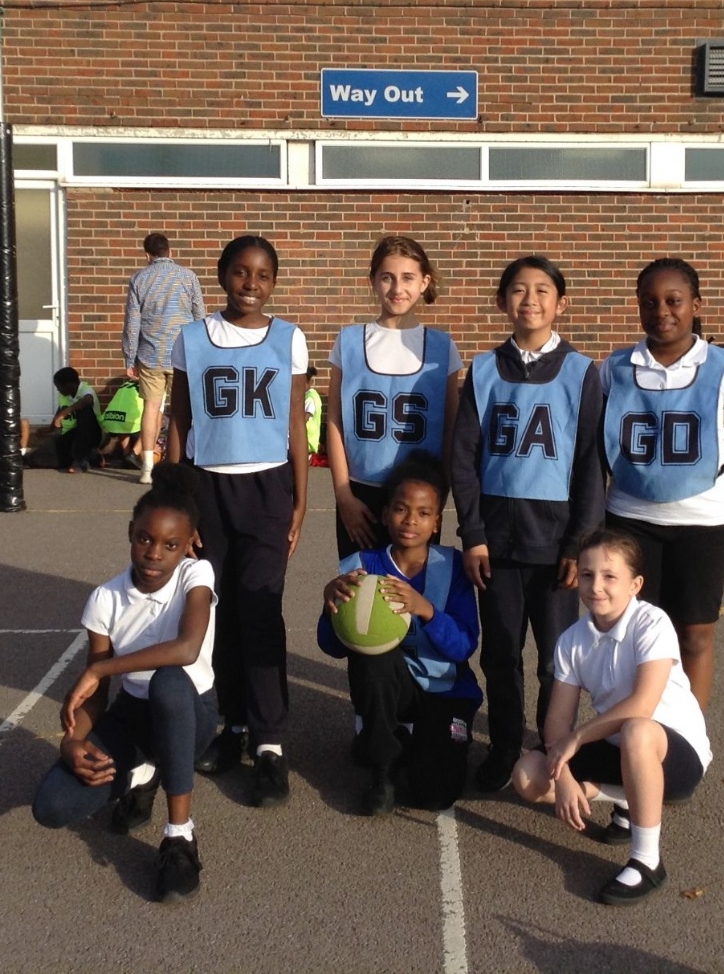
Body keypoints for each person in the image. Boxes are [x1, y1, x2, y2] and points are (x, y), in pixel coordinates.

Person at [451, 255, 605, 793]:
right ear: (502, 302)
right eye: (518, 290)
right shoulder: (486, 369)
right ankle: (505, 746)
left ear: (561, 304)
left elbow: (590, 461)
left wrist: (580, 543)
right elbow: (465, 458)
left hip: (556, 546)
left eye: (542, 290)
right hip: (497, 543)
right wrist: (472, 534)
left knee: (555, 661)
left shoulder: (584, 372)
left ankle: (551, 745)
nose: (530, 300)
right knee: (499, 653)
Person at [30, 464, 217, 904]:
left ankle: (179, 837)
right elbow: (95, 697)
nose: (155, 553)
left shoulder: (197, 576)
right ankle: (142, 768)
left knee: (169, 683)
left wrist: (101, 669)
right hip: (134, 717)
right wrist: (71, 743)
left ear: (189, 545)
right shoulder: (105, 598)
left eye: (171, 545)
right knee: (52, 807)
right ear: (130, 532)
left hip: (192, 713)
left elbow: (187, 648)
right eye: (145, 539)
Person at [167, 234, 308, 808]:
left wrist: (300, 500)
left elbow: (296, 422)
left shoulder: (289, 338)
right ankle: (235, 725)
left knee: (261, 605)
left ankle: (271, 742)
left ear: (273, 282)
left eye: (263, 275)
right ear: (222, 275)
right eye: (241, 272)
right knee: (215, 608)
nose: (252, 284)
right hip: (207, 487)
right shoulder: (192, 338)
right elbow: (178, 419)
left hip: (269, 486)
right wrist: (177, 500)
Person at [511, 528, 711, 906]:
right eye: (587, 575)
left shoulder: (652, 624)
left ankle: (647, 861)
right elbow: (556, 722)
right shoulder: (572, 638)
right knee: (527, 776)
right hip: (622, 748)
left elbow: (642, 705)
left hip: (674, 754)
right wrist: (566, 777)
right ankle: (626, 799)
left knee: (637, 730)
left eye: (609, 576)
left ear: (635, 584)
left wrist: (577, 738)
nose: (595, 587)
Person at [600, 257, 724, 710]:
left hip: (703, 522)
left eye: (674, 300)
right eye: (649, 302)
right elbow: (597, 448)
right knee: (631, 632)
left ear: (696, 304)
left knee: (694, 634)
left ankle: (687, 735)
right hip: (630, 518)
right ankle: (632, 728)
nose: (661, 311)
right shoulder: (612, 370)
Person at [319, 453, 481, 815]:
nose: (411, 521)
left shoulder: (451, 566)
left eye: (423, 513)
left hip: (445, 691)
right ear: (385, 513)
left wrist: (426, 610)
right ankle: (382, 767)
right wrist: (329, 607)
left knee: (432, 795)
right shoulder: (361, 567)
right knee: (373, 657)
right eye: (401, 509)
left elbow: (463, 645)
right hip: (393, 688)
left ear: (437, 521)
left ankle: (416, 738)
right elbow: (331, 647)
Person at [327, 236, 462, 560]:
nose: (397, 288)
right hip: (360, 495)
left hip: (419, 497)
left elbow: (450, 431)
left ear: (424, 282)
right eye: (387, 277)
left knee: (411, 598)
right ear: (372, 280)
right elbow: (334, 421)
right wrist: (343, 495)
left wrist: (440, 497)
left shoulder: (443, 347)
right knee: (359, 599)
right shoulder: (348, 340)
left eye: (407, 278)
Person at [123, 232, 206, 486]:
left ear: (147, 255)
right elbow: (200, 315)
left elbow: (132, 323)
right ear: (170, 252)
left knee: (151, 407)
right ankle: (180, 463)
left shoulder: (138, 279)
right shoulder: (188, 276)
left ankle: (148, 467)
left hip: (150, 354)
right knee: (184, 409)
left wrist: (129, 357)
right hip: (184, 352)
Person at [51, 367, 103, 473]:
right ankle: (91, 456)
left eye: (59, 386)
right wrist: (49, 429)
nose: (58, 390)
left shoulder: (85, 389)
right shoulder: (64, 395)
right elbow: (58, 415)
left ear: (69, 385)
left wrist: (64, 413)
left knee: (85, 412)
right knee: (39, 458)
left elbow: (87, 400)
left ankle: (80, 461)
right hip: (72, 434)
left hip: (92, 433)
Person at [303, 364, 325, 465]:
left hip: (308, 438)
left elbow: (305, 417)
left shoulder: (310, 397)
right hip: (308, 439)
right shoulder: (308, 396)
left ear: (307, 382)